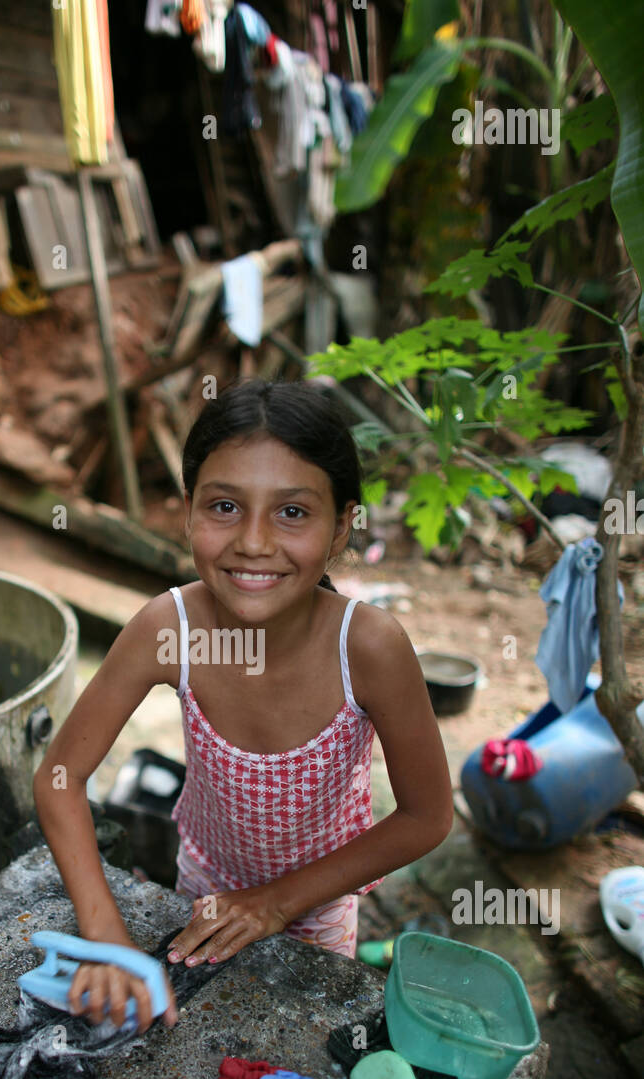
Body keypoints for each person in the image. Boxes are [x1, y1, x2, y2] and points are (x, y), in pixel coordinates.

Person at [34, 378, 453, 1033]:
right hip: (201, 892)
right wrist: (105, 928)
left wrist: (278, 903)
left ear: (342, 525)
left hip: (319, 910)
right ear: (188, 511)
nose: (254, 542)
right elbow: (58, 779)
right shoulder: (165, 629)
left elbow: (428, 816)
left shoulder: (369, 648)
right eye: (224, 506)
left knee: (291, 1047)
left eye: (292, 512)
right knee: (193, 1038)